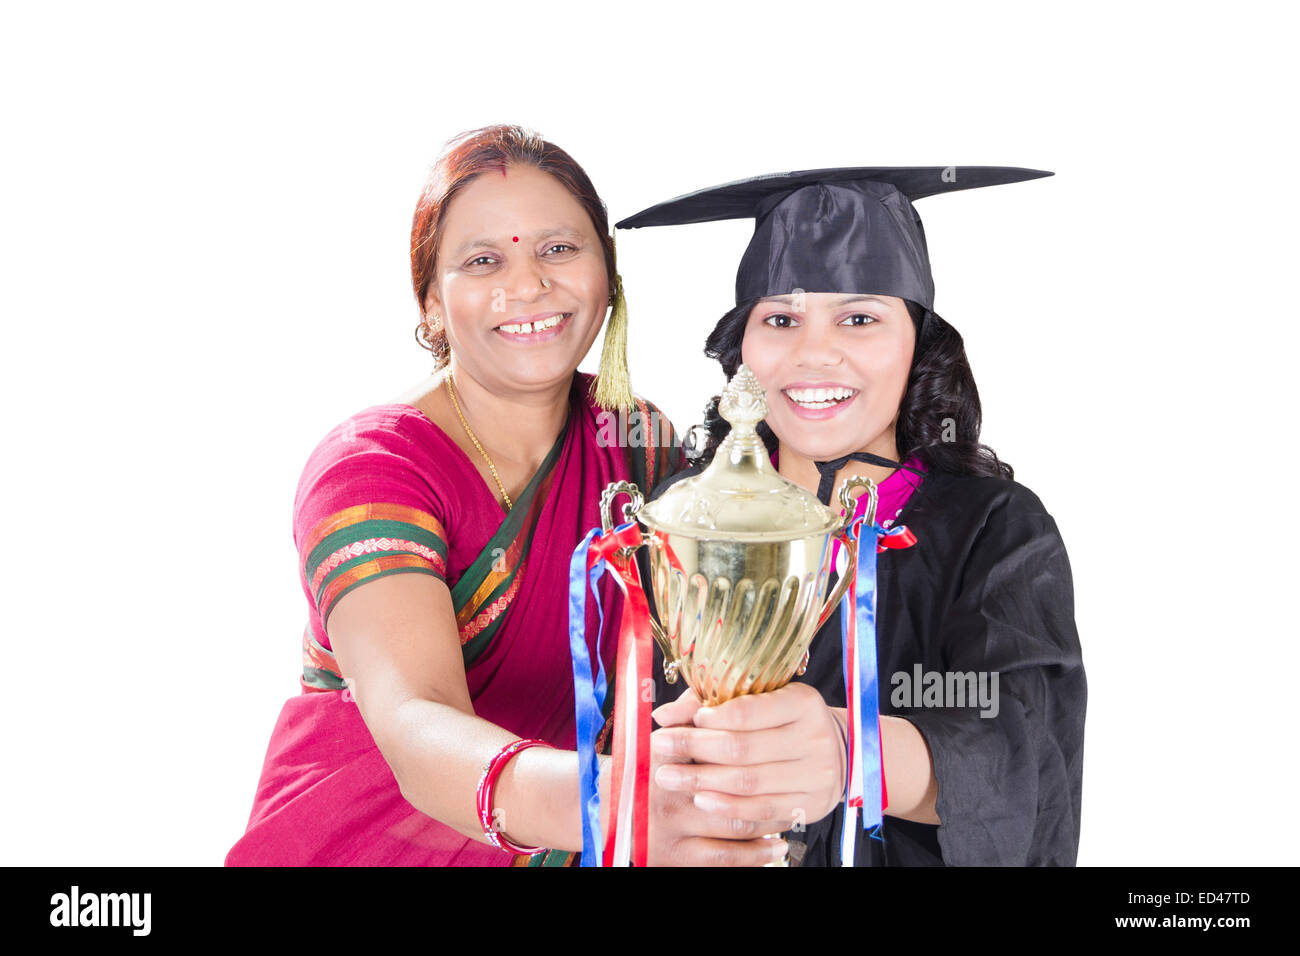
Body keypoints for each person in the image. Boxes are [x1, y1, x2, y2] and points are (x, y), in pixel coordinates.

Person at [226, 125, 786, 867]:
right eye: (483, 260)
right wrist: (612, 806)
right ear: (431, 303)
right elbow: (414, 717)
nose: (527, 285)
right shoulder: (372, 468)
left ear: (608, 275)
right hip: (362, 846)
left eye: (558, 248)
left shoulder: (637, 441)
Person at [618, 167, 1087, 866]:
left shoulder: (992, 529)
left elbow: (1023, 753)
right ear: (743, 348)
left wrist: (850, 753)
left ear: (918, 344)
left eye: (860, 318)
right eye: (781, 320)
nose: (813, 353)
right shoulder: (683, 517)